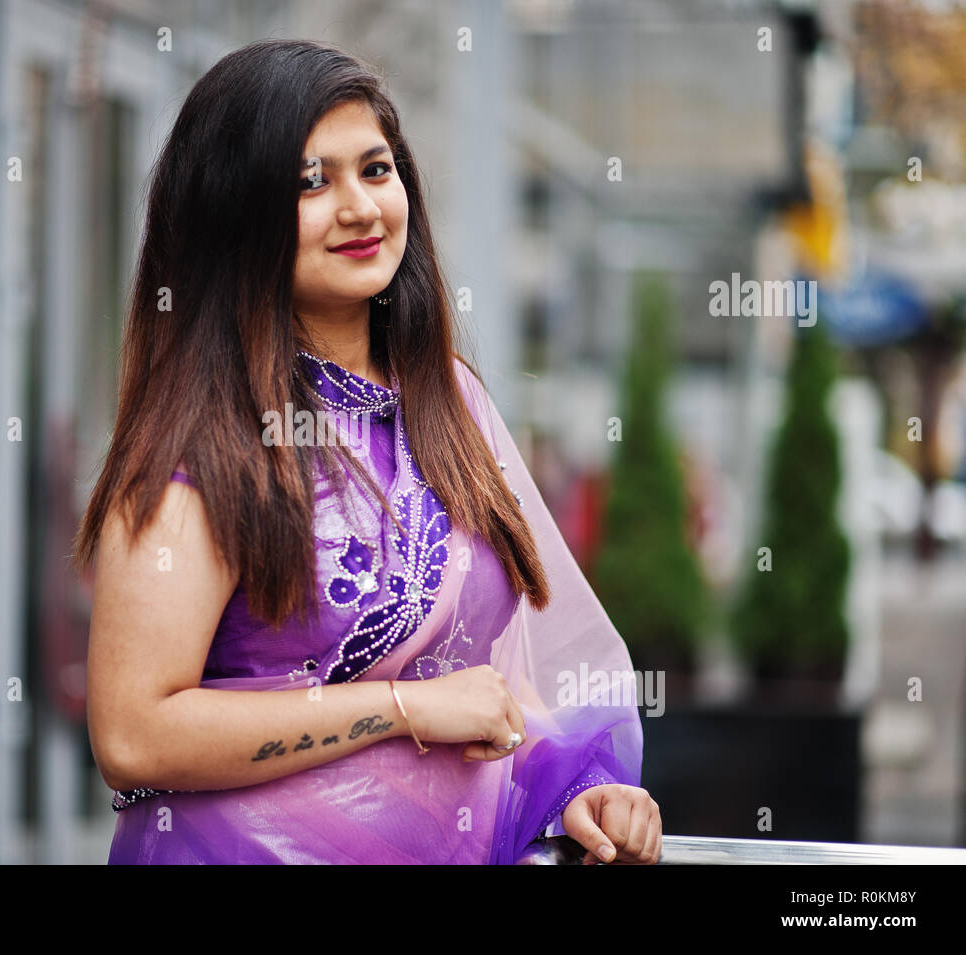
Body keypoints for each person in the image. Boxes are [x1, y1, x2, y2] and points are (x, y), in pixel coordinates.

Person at [72, 38, 660, 864]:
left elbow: (487, 672)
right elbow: (134, 732)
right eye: (309, 183)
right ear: (233, 214)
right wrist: (400, 708)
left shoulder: (449, 399)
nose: (358, 207)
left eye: (375, 169)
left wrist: (578, 791)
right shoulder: (206, 437)